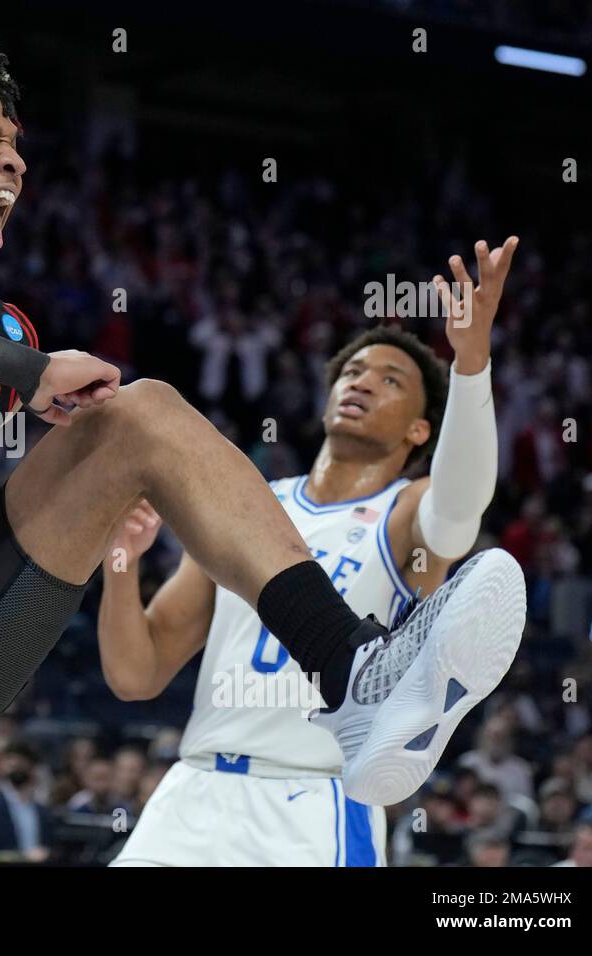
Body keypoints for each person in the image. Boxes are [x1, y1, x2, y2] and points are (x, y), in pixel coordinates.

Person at [0, 22, 526, 867]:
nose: (16, 160)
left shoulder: (3, 329)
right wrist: (26, 373)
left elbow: (12, 481)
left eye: (18, 144)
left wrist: (104, 482)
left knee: (140, 414)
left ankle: (355, 671)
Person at [102, 248, 520, 865]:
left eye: (390, 380)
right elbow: (136, 675)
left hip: (312, 802)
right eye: (353, 371)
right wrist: (121, 565)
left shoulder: (407, 508)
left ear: (419, 432)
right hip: (192, 788)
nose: (362, 381)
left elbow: (459, 516)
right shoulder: (248, 503)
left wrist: (471, 362)